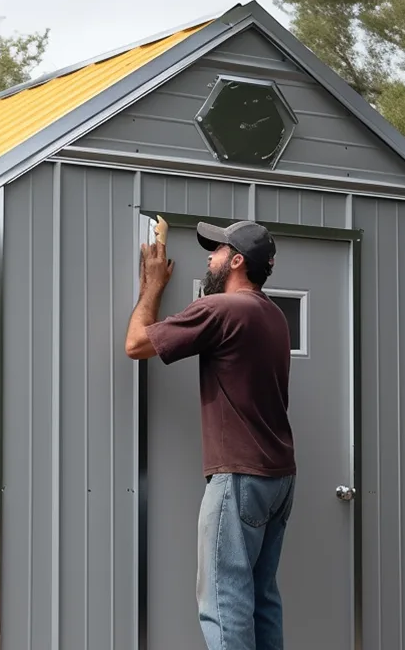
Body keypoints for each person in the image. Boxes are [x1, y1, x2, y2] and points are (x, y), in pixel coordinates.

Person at [124, 220, 296, 650]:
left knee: (223, 601)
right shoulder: (273, 315)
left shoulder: (222, 308)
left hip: (239, 477)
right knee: (262, 599)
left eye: (217, 250)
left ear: (236, 261)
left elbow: (136, 344)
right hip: (278, 477)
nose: (209, 257)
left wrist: (152, 287)